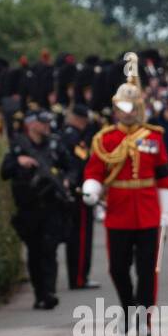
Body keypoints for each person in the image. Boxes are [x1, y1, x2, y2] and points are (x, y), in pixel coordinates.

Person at [81, 55, 168, 324]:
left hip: (147, 211)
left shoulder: (153, 136)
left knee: (148, 269)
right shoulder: (106, 139)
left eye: (131, 107)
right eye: (123, 107)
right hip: (119, 212)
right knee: (117, 268)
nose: (127, 112)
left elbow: (164, 177)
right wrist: (92, 188)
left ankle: (143, 318)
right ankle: (128, 307)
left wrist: (165, 212)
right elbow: (95, 171)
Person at [1, 108, 73, 309]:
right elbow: (4, 172)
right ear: (31, 124)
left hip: (52, 204)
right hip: (29, 207)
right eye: (43, 123)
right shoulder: (19, 146)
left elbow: (71, 167)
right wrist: (18, 162)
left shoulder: (55, 144)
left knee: (50, 249)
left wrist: (67, 181)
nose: (47, 126)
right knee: (35, 251)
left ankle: (49, 292)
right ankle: (39, 293)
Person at [58, 104, 101, 290]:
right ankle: (79, 277)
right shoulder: (74, 136)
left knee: (76, 235)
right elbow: (83, 160)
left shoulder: (67, 133)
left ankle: (78, 276)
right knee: (81, 235)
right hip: (79, 190)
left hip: (75, 188)